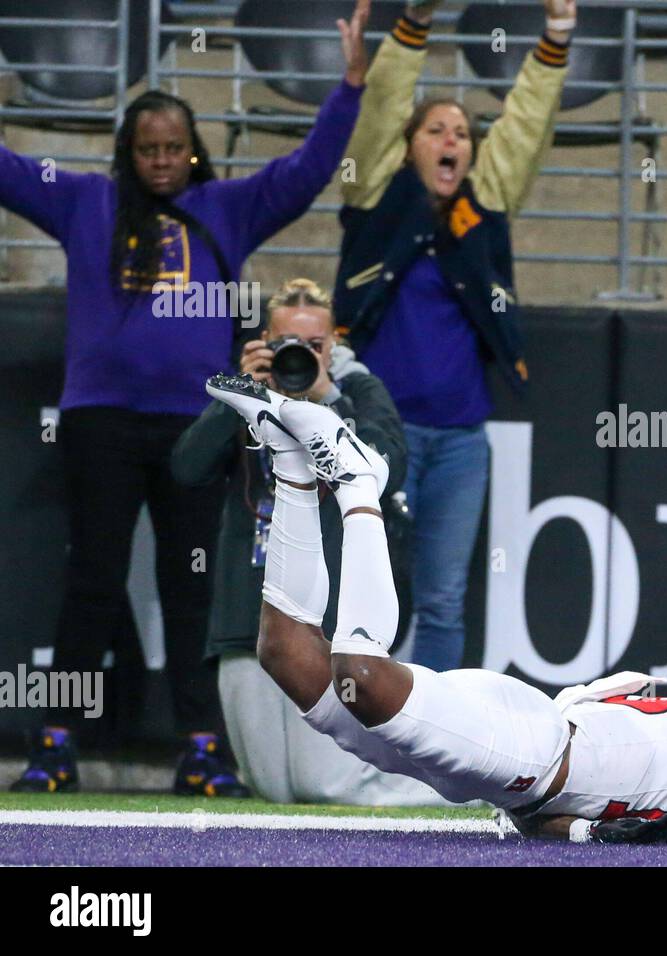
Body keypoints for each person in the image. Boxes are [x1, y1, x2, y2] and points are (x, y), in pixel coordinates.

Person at [5, 1, 373, 795]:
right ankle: (56, 744)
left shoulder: (226, 209)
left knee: (190, 587)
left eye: (175, 148)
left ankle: (202, 747)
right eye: (148, 150)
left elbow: (306, 172)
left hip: (195, 429)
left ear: (194, 151)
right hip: (99, 420)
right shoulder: (83, 202)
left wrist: (348, 87)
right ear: (127, 152)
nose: (162, 161)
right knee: (92, 582)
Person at [202, 371, 667, 841]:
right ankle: (360, 480)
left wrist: (586, 832)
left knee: (286, 653)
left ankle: (290, 463)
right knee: (364, 676)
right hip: (535, 750)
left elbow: (546, 822)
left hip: (519, 781)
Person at [331, 0, 574, 672]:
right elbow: (380, 108)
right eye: (435, 129)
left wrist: (555, 38)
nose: (452, 141)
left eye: (463, 132)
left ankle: (431, 757)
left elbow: (524, 126)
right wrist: (413, 22)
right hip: (381, 438)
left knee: (441, 599)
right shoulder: (376, 197)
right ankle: (356, 743)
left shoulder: (484, 205)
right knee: (367, 594)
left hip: (463, 443)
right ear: (407, 147)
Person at [171, 278, 444, 805]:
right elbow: (186, 469)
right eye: (286, 344)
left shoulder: (359, 393)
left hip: (332, 622)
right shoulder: (245, 395)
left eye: (315, 346)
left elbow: (391, 465)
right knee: (273, 788)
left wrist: (326, 395)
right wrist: (237, 395)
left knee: (327, 785)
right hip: (246, 615)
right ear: (264, 342)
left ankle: (460, 789)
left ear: (333, 346)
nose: (300, 355)